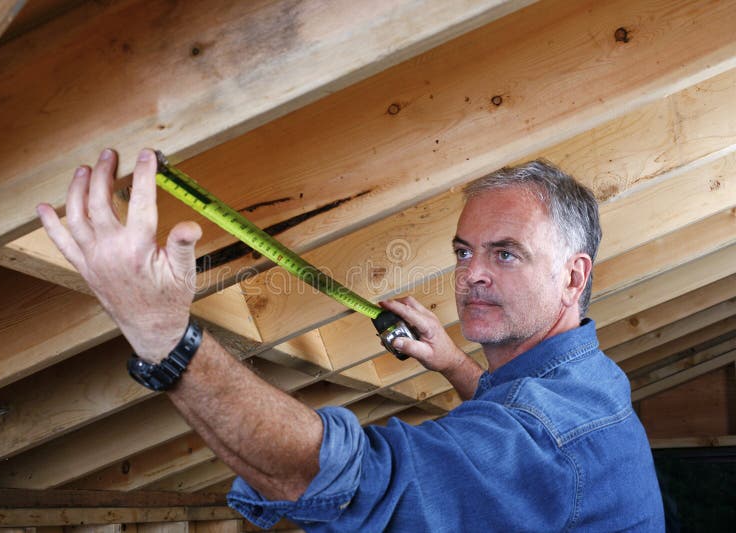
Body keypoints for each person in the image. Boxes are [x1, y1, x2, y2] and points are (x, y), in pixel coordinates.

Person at [37, 149, 665, 531]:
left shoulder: (551, 436)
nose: (472, 272)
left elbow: (348, 481)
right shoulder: (585, 378)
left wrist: (166, 338)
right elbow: (514, 417)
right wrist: (449, 361)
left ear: (573, 275)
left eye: (505, 253)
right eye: (464, 251)